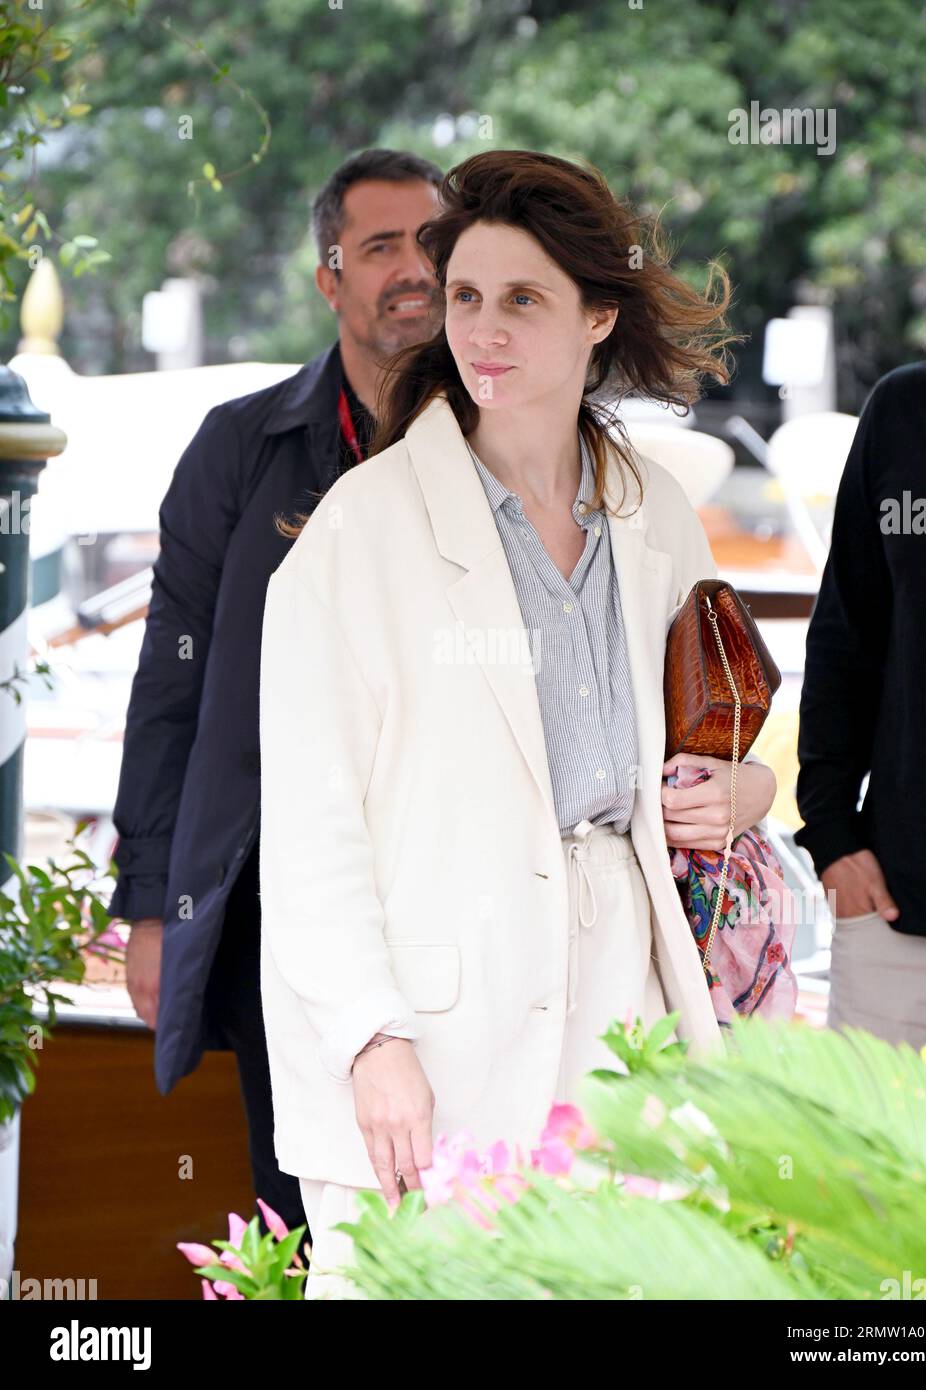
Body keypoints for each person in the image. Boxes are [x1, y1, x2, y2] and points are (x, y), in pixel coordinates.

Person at [259, 148, 777, 1298]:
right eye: (466, 299)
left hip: (625, 996)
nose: (483, 330)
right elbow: (309, 829)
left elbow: (719, 741)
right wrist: (368, 1038)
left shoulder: (654, 509)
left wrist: (746, 794)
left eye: (523, 300)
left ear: (599, 315)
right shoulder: (362, 530)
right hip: (436, 1018)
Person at [107, 148, 444, 1235]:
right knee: (299, 1190)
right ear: (329, 277)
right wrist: (153, 903)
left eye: (431, 243)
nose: (412, 270)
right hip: (275, 900)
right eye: (380, 246)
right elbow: (172, 691)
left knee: (461, 1192)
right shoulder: (240, 449)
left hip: (453, 883)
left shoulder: (501, 446)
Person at [795, 152, 926, 1050]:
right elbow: (842, 640)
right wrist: (831, 837)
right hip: (896, 914)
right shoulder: (904, 414)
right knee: (865, 1190)